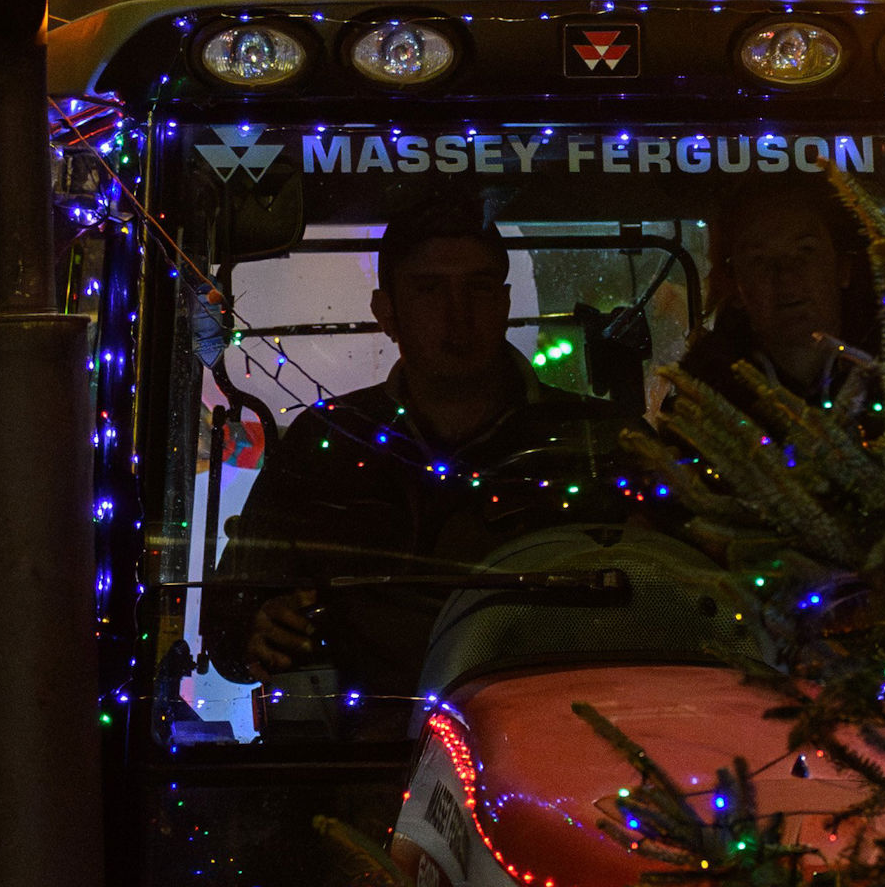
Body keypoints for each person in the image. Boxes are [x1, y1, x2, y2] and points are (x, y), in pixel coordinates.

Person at [210, 188, 639, 703]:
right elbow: (227, 617)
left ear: (503, 303)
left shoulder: (600, 441)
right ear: (386, 311)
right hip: (361, 757)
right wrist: (257, 627)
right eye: (430, 290)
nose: (458, 315)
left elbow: (682, 600)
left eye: (478, 289)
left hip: (559, 734)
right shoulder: (324, 442)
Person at [678, 174, 879, 410]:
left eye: (804, 251)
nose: (785, 275)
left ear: (843, 267)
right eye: (759, 260)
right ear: (735, 285)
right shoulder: (703, 400)